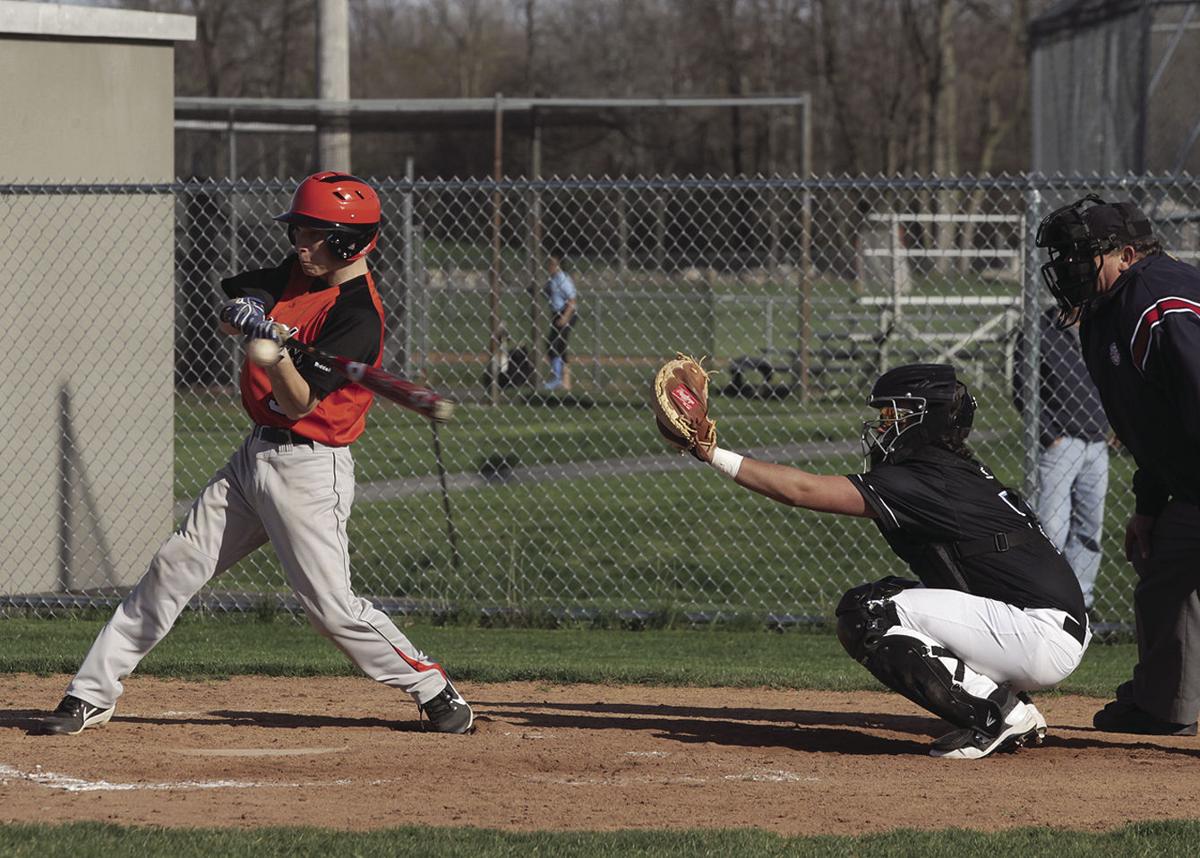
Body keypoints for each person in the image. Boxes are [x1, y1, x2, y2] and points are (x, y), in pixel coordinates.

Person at [37, 172, 474, 736]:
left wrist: (277, 355)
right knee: (174, 567)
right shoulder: (297, 271)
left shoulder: (358, 316)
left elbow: (295, 402)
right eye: (298, 231)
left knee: (331, 610)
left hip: (310, 469)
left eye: (314, 235)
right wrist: (248, 313)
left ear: (348, 241)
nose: (300, 244)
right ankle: (90, 692)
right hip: (252, 459)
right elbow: (239, 300)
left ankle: (433, 688)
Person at [682, 363, 1089, 759]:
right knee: (885, 596)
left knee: (869, 613)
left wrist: (712, 453)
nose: (881, 426)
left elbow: (802, 490)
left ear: (924, 420)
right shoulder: (948, 468)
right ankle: (1010, 702)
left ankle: (997, 714)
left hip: (1037, 632)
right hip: (1042, 626)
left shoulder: (927, 478)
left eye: (893, 415)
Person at [1036, 194, 1200, 736]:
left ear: (1126, 254)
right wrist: (1152, 506)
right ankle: (1163, 705)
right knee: (1166, 572)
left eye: (1082, 256)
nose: (1068, 268)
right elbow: (1155, 425)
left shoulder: (1160, 301)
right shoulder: (1106, 313)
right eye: (1063, 257)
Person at [1013, 306, 1110, 612]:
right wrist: (1048, 434)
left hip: (1097, 441)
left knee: (1090, 528)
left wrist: (1116, 421)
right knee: (1050, 526)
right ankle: (1042, 598)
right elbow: (1022, 387)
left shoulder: (1103, 324)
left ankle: (1081, 602)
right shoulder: (1040, 328)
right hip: (1061, 441)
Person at [543, 254, 577, 391]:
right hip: (556, 313)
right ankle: (559, 378)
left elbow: (572, 300)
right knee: (552, 344)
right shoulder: (553, 280)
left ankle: (562, 380)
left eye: (550, 265)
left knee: (559, 344)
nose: (548, 268)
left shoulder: (563, 279)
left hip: (565, 313)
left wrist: (565, 317)